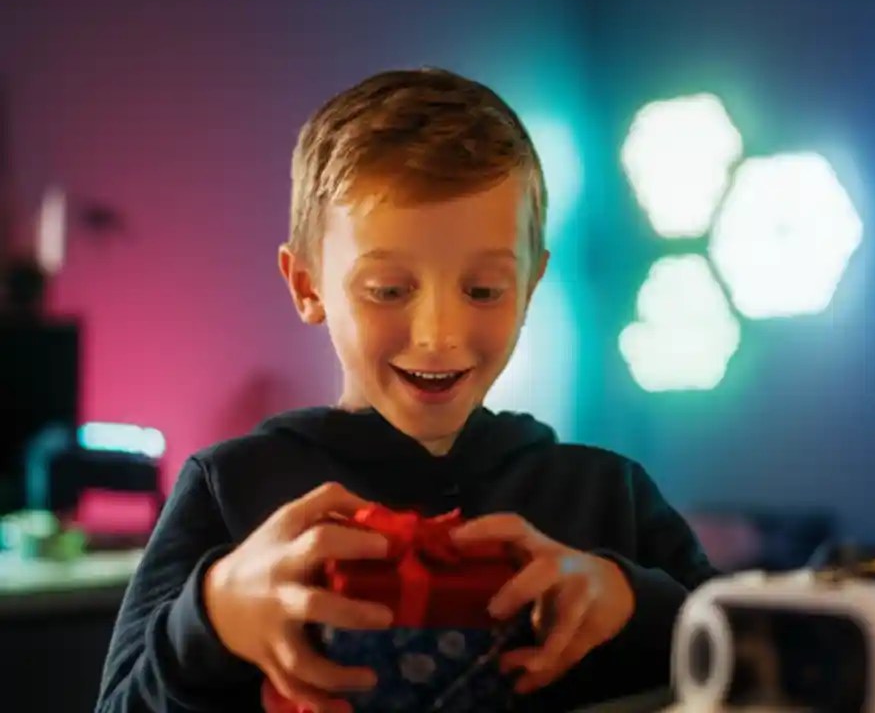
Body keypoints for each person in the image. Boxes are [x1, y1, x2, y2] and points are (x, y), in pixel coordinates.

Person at [95, 67, 720, 713]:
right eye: (389, 290)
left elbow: (756, 653)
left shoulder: (608, 498)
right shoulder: (230, 490)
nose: (439, 334)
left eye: (483, 290)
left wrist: (629, 602)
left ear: (531, 285)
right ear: (308, 285)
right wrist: (215, 617)